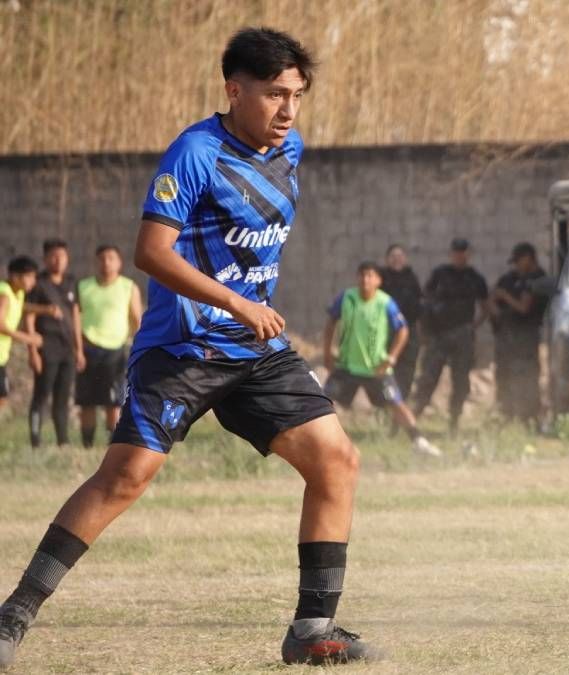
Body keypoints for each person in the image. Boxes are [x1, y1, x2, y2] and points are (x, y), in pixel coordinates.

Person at [0, 27, 378, 668]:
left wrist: (247, 308)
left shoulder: (292, 150)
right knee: (125, 478)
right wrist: (235, 301)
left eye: (296, 96)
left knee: (337, 460)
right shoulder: (195, 152)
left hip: (256, 349)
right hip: (183, 349)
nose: (288, 110)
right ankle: (12, 619)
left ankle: (313, 629)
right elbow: (152, 251)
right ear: (235, 90)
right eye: (274, 95)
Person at [323, 262, 442, 458]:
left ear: (378, 280)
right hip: (346, 366)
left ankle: (419, 441)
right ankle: (324, 445)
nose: (365, 280)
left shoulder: (385, 302)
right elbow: (330, 323)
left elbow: (403, 330)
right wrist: (328, 352)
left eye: (370, 276)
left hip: (376, 368)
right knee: (324, 403)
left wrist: (392, 358)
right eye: (362, 275)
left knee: (396, 403)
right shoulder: (346, 298)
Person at [410, 238, 489, 435]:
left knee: (461, 381)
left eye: (463, 252)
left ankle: (454, 422)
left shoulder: (475, 278)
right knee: (428, 378)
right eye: (456, 252)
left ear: (468, 254)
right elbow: (424, 302)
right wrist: (425, 331)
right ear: (451, 254)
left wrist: (472, 327)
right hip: (439, 335)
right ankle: (411, 421)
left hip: (462, 335)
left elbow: (485, 307)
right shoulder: (440, 274)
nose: (459, 256)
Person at [73, 245, 142, 447]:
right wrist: (78, 350)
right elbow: (76, 319)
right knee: (87, 402)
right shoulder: (83, 286)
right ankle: (87, 445)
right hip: (88, 349)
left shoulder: (128, 287)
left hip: (115, 352)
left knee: (113, 402)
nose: (106, 263)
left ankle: (112, 445)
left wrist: (137, 348)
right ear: (96, 262)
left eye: (111, 258)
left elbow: (136, 320)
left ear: (119, 262)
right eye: (102, 258)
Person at [25, 238, 78, 447]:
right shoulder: (38, 284)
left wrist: (79, 349)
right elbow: (28, 316)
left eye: (62, 256)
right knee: (41, 395)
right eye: (53, 256)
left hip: (67, 348)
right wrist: (32, 352)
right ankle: (35, 441)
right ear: (45, 259)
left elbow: (75, 316)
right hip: (46, 347)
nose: (58, 260)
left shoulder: (71, 282)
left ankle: (63, 441)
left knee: (62, 399)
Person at [490, 242, 549, 428]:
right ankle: (507, 415)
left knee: (527, 377)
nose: (516, 265)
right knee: (504, 375)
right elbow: (491, 300)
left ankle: (529, 418)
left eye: (518, 261)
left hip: (526, 335)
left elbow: (524, 308)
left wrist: (506, 297)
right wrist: (498, 314)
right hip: (507, 335)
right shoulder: (510, 278)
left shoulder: (538, 279)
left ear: (528, 259)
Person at [0, 256, 47, 413]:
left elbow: (21, 307)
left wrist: (46, 310)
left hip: (2, 356)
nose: (33, 281)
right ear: (15, 276)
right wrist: (29, 339)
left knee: (2, 396)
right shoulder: (4, 294)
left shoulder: (17, 294)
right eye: (29, 277)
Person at [379, 244, 423, 399]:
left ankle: (402, 402)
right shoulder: (381, 279)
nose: (396, 260)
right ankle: (388, 405)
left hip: (409, 332)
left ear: (405, 259)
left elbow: (419, 306)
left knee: (407, 370)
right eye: (393, 257)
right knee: (388, 369)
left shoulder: (412, 278)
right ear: (387, 260)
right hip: (386, 332)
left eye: (400, 257)